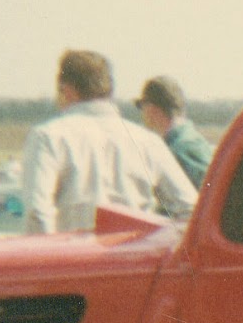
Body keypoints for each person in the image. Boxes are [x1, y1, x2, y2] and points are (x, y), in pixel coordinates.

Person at [20, 50, 196, 234]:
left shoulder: (47, 137)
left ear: (67, 90)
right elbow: (190, 209)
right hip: (137, 250)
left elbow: (37, 214)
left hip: (74, 249)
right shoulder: (148, 141)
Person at [136, 75, 215, 188]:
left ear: (151, 108)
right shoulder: (193, 140)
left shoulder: (179, 149)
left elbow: (209, 191)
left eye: (140, 106)